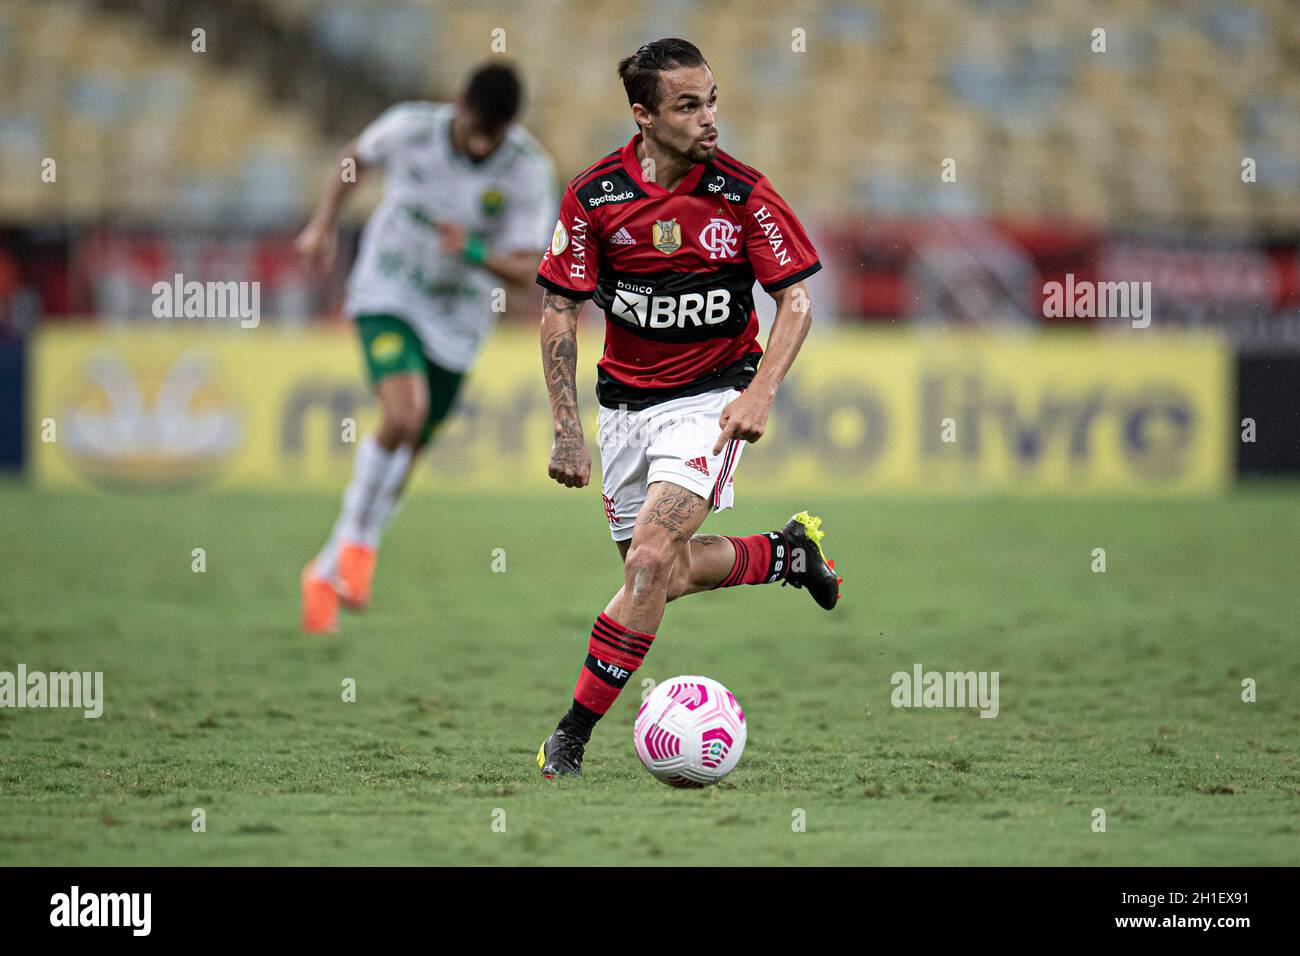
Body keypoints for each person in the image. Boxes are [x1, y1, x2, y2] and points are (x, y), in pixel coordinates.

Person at [534, 38, 841, 777]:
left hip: (711, 400)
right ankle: (784, 554)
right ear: (643, 116)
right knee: (661, 578)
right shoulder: (595, 197)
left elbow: (795, 299)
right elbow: (558, 312)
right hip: (627, 411)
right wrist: (568, 431)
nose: (710, 119)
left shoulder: (744, 193)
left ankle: (569, 739)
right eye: (688, 105)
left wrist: (760, 392)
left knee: (645, 562)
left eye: (712, 101)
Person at [296, 62, 554, 633]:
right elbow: (352, 160)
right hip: (386, 288)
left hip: (458, 320)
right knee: (403, 414)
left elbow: (530, 267)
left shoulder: (527, 170)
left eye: (496, 133)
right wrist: (321, 227)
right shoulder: (410, 127)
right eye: (477, 127)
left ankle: (326, 568)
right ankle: (361, 544)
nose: (484, 142)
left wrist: (475, 252)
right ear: (458, 100)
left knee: (411, 447)